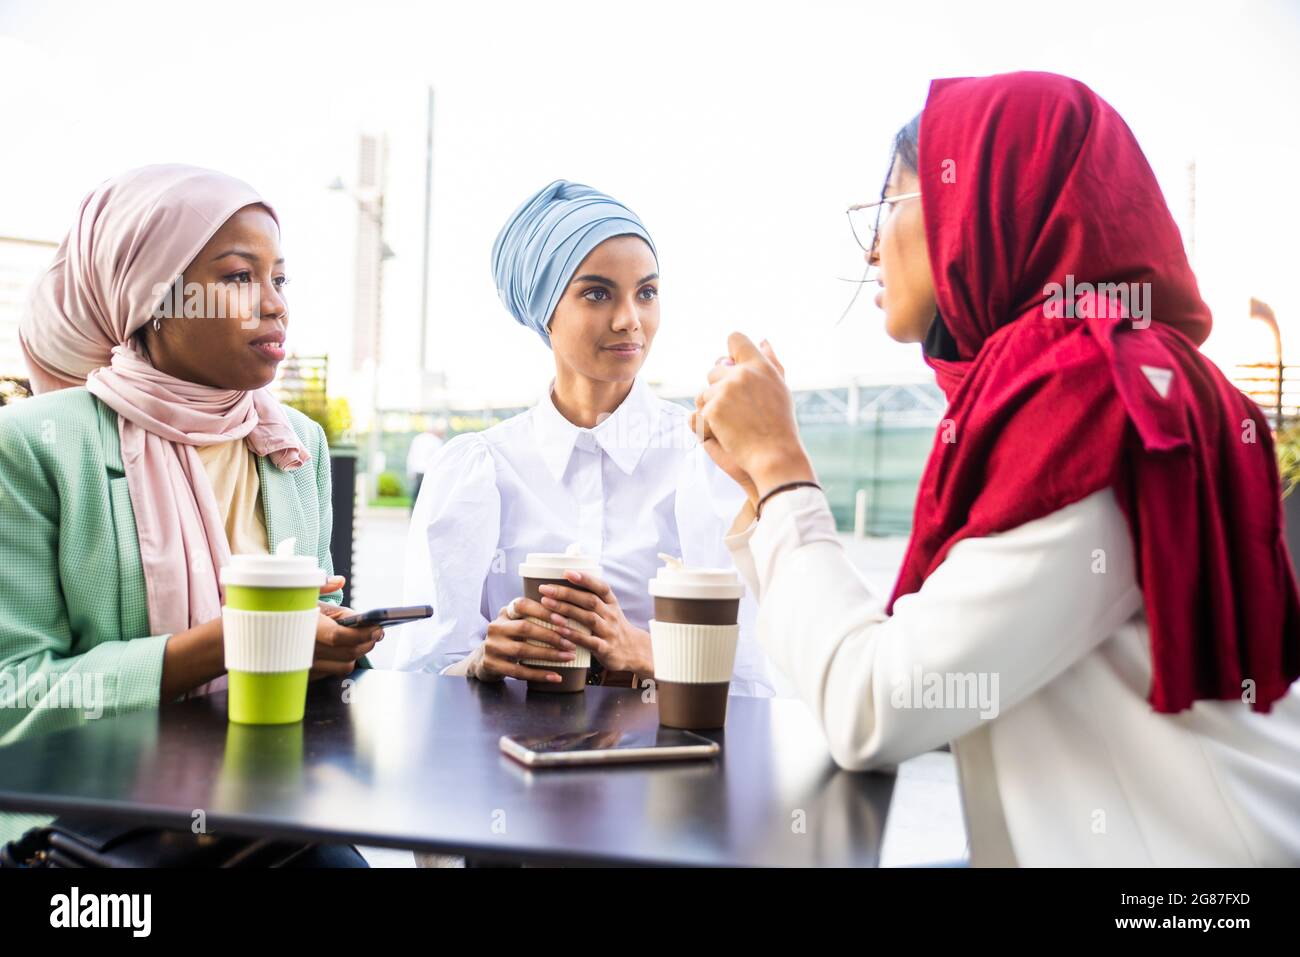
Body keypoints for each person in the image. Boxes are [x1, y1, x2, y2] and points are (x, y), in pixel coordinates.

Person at [693, 72, 1300, 866]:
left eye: (887, 206)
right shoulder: (1113, 372)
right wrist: (766, 494)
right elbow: (929, 678)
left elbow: (876, 706)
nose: (873, 247)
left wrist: (781, 467)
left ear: (976, 202)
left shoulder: (1091, 393)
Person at [0, 165, 378, 863]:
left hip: (270, 810)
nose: (275, 306)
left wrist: (331, 648)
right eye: (238, 278)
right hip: (98, 822)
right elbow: (12, 695)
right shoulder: (35, 445)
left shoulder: (294, 444)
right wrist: (222, 644)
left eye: (281, 279)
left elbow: (308, 654)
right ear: (154, 298)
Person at [399, 180, 771, 695]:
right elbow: (418, 680)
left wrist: (642, 649)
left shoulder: (703, 463)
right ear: (543, 310)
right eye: (597, 293)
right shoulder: (478, 468)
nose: (629, 320)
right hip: (506, 767)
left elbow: (751, 684)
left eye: (647, 293)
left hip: (668, 768)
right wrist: (481, 661)